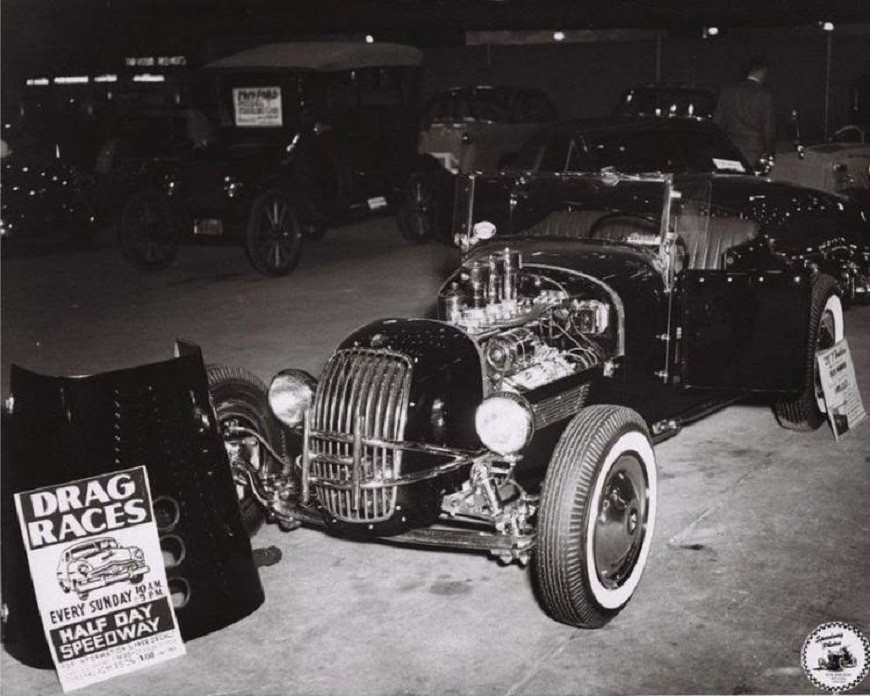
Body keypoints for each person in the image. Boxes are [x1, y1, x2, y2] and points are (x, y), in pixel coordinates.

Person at [714, 56, 776, 167]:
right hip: (753, 151)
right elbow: (768, 128)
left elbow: (717, 123)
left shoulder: (728, 92)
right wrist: (769, 152)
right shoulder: (764, 96)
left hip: (731, 149)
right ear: (763, 72)